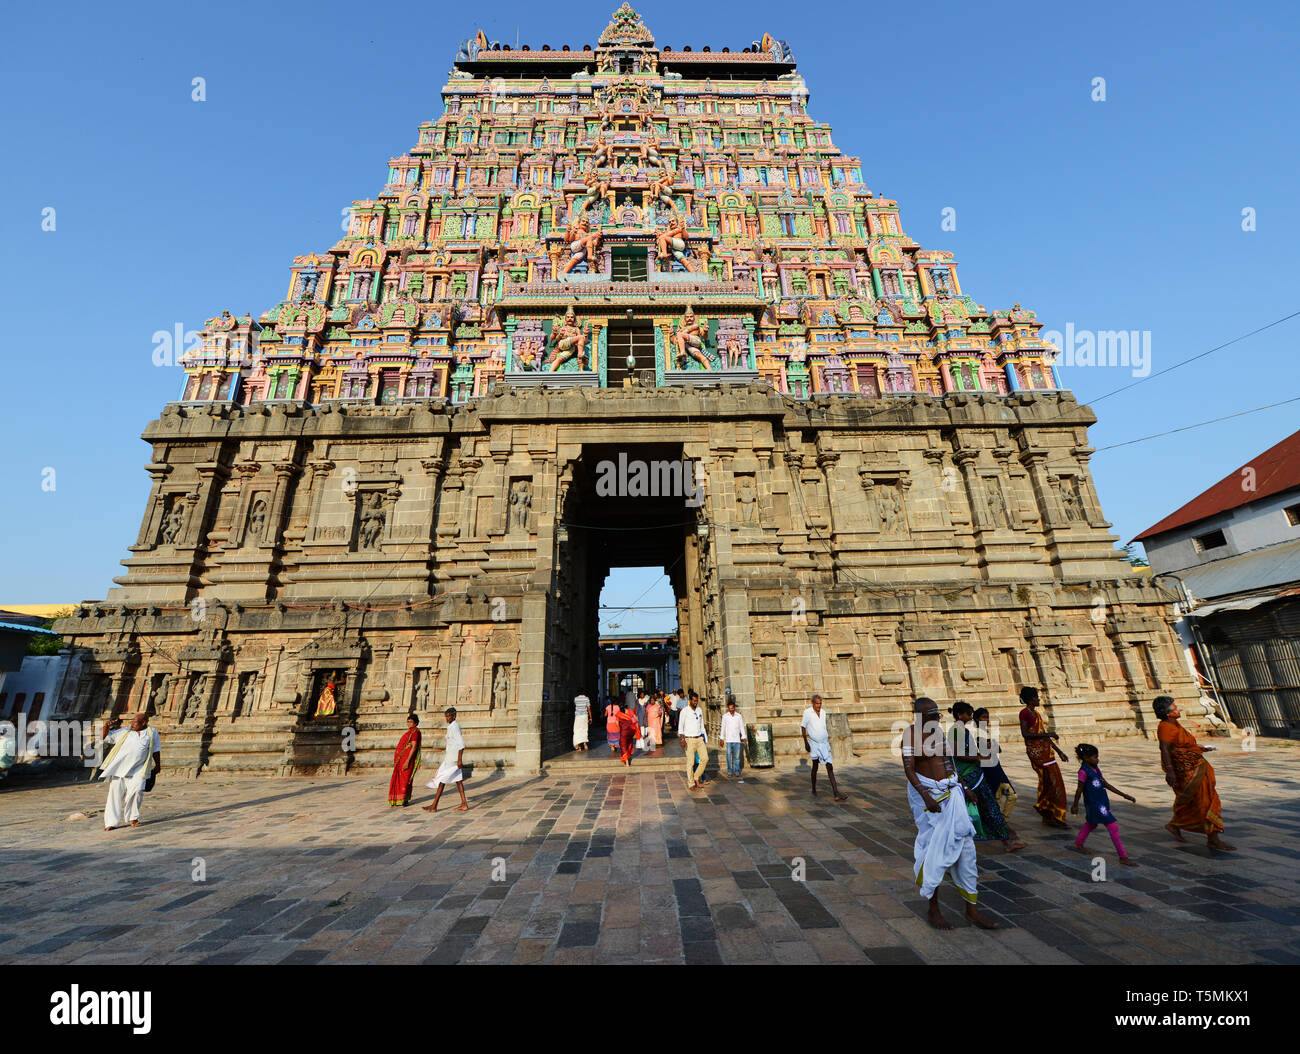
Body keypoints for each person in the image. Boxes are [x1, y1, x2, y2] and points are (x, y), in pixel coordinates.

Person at [901, 697, 998, 931]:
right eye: (933, 715)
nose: (937, 719)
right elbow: (909, 768)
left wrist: (963, 787)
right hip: (931, 799)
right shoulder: (910, 735)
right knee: (934, 851)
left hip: (952, 794)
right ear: (920, 716)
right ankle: (933, 909)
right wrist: (926, 796)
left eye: (938, 715)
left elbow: (949, 762)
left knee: (967, 851)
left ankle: (972, 911)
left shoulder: (939, 733)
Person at [1154, 695, 1236, 851]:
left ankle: (1175, 824)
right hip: (1187, 770)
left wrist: (1200, 748)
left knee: (1196, 801)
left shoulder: (1175, 724)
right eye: (1175, 708)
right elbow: (1165, 749)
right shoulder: (1165, 727)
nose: (1179, 709)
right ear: (1167, 713)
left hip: (1196, 765)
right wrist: (1170, 772)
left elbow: (1183, 744)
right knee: (1205, 802)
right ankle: (1213, 839)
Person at [948, 702, 1025, 852]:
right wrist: (977, 758)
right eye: (968, 714)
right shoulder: (956, 731)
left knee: (987, 807)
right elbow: (955, 754)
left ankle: (1007, 837)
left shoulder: (962, 730)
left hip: (973, 773)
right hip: (969, 775)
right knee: (989, 806)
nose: (971, 717)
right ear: (959, 715)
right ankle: (1007, 839)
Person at [1070, 743, 1137, 866]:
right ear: (1086, 758)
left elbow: (1105, 784)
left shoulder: (1095, 769)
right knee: (1113, 826)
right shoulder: (1083, 772)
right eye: (1095, 757)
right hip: (1095, 804)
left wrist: (1124, 795)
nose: (1097, 759)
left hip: (1102, 801)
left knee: (1091, 824)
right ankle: (1123, 856)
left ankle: (1078, 843)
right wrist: (1075, 805)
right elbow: (1079, 790)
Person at [97, 712, 161, 832]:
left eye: (135, 722)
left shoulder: (152, 732)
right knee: (115, 794)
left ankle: (133, 818)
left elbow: (156, 749)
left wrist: (158, 764)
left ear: (144, 723)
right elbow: (103, 737)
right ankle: (111, 822)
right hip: (119, 767)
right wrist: (106, 726)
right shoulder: (125, 731)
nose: (132, 724)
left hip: (139, 767)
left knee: (137, 790)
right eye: (132, 722)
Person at [1018, 686, 1070, 828]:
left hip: (1047, 753)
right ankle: (1056, 816)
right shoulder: (1024, 713)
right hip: (1037, 754)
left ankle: (1048, 814)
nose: (1038, 699)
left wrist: (1059, 752)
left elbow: (1044, 735)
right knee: (1054, 784)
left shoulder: (1037, 714)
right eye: (1036, 697)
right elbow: (1025, 734)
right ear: (1030, 699)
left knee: (1051, 784)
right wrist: (1048, 735)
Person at [972, 707, 1017, 821]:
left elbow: (998, 749)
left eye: (987, 717)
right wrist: (991, 746)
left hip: (995, 766)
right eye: (983, 717)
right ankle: (1001, 821)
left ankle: (1002, 819)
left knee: (1008, 795)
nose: (986, 720)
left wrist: (991, 746)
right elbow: (986, 749)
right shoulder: (977, 733)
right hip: (989, 768)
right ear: (977, 719)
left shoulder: (986, 732)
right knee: (999, 796)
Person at [800, 695, 846, 801]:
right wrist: (806, 742)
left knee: (830, 766)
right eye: (817, 703)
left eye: (820, 703)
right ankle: (813, 788)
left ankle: (836, 792)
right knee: (815, 766)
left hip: (824, 743)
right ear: (812, 703)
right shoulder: (807, 713)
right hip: (814, 744)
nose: (819, 705)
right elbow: (803, 727)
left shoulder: (824, 713)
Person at [423, 707, 468, 813]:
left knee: (441, 781)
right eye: (446, 716)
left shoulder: (454, 727)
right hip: (451, 758)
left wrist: (459, 760)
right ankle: (464, 803)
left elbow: (461, 744)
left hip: (452, 760)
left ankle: (434, 806)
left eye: (449, 716)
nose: (447, 718)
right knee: (458, 781)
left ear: (454, 716)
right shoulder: (451, 727)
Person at [388, 714, 422, 807]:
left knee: (404, 780)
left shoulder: (415, 732)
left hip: (406, 760)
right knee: (401, 780)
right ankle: (403, 800)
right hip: (401, 760)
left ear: (416, 723)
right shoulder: (411, 732)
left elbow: (414, 747)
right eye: (408, 721)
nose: (408, 723)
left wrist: (407, 761)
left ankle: (401, 800)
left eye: (411, 722)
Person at [678, 691, 710, 790]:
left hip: (699, 738)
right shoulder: (685, 711)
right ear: (690, 700)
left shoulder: (699, 710)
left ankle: (696, 776)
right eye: (694, 701)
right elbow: (680, 727)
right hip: (689, 740)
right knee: (691, 763)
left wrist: (705, 738)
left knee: (705, 759)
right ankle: (691, 783)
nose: (696, 702)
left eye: (697, 701)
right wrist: (682, 739)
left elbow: (701, 726)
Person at [720, 698, 747, 778]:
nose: (731, 709)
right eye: (729, 708)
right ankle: (729, 772)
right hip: (728, 740)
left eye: (732, 708)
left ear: (734, 708)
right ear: (728, 708)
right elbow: (723, 728)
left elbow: (741, 727)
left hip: (737, 740)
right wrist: (722, 739)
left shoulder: (739, 716)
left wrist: (744, 737)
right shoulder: (725, 716)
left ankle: (737, 771)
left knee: (737, 757)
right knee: (728, 756)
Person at [616, 698, 639, 766]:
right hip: (631, 730)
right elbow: (636, 718)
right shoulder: (630, 711)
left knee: (623, 745)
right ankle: (628, 757)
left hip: (624, 731)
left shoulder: (618, 714)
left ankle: (626, 762)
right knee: (629, 742)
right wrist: (636, 728)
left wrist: (621, 730)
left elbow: (617, 724)